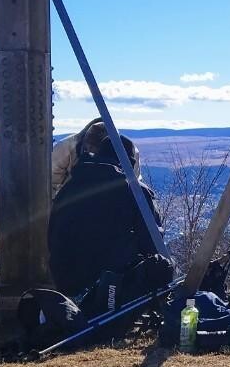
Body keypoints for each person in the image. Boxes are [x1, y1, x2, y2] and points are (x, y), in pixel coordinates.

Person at [48, 124, 163, 297]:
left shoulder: (69, 189)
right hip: (112, 288)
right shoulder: (135, 192)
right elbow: (154, 242)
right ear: (129, 162)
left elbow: (52, 234)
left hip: (66, 282)